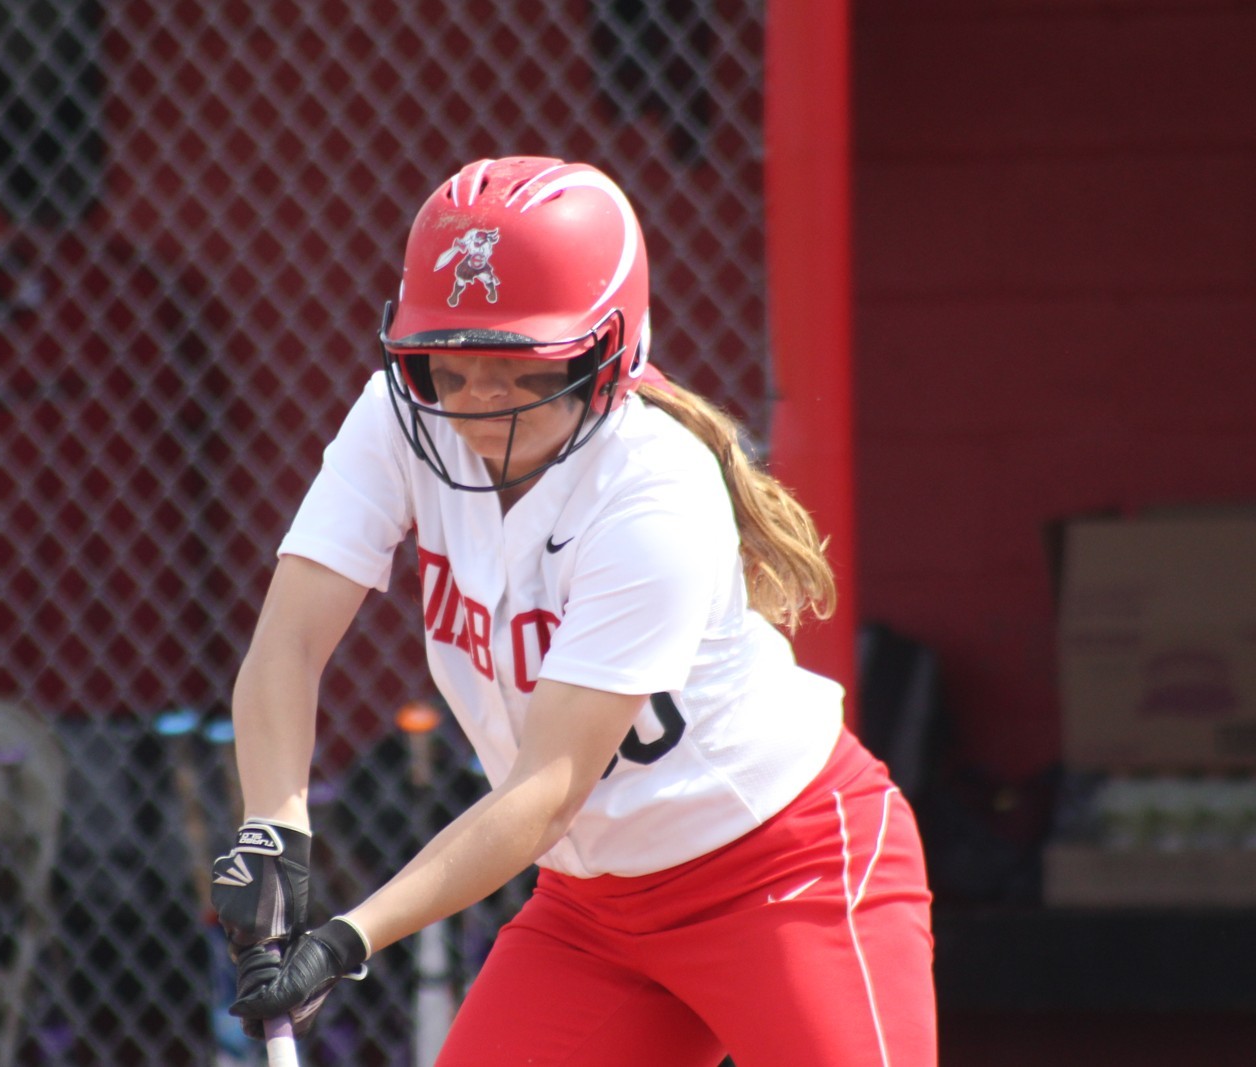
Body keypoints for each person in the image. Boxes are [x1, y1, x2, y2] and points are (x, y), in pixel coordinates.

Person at [210, 156, 936, 1066]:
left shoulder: (654, 489)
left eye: (519, 368)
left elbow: (545, 793)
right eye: (449, 363)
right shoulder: (403, 415)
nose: (476, 400)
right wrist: (273, 829)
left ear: (606, 356)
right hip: (593, 908)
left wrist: (348, 937)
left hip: (782, 872)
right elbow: (287, 642)